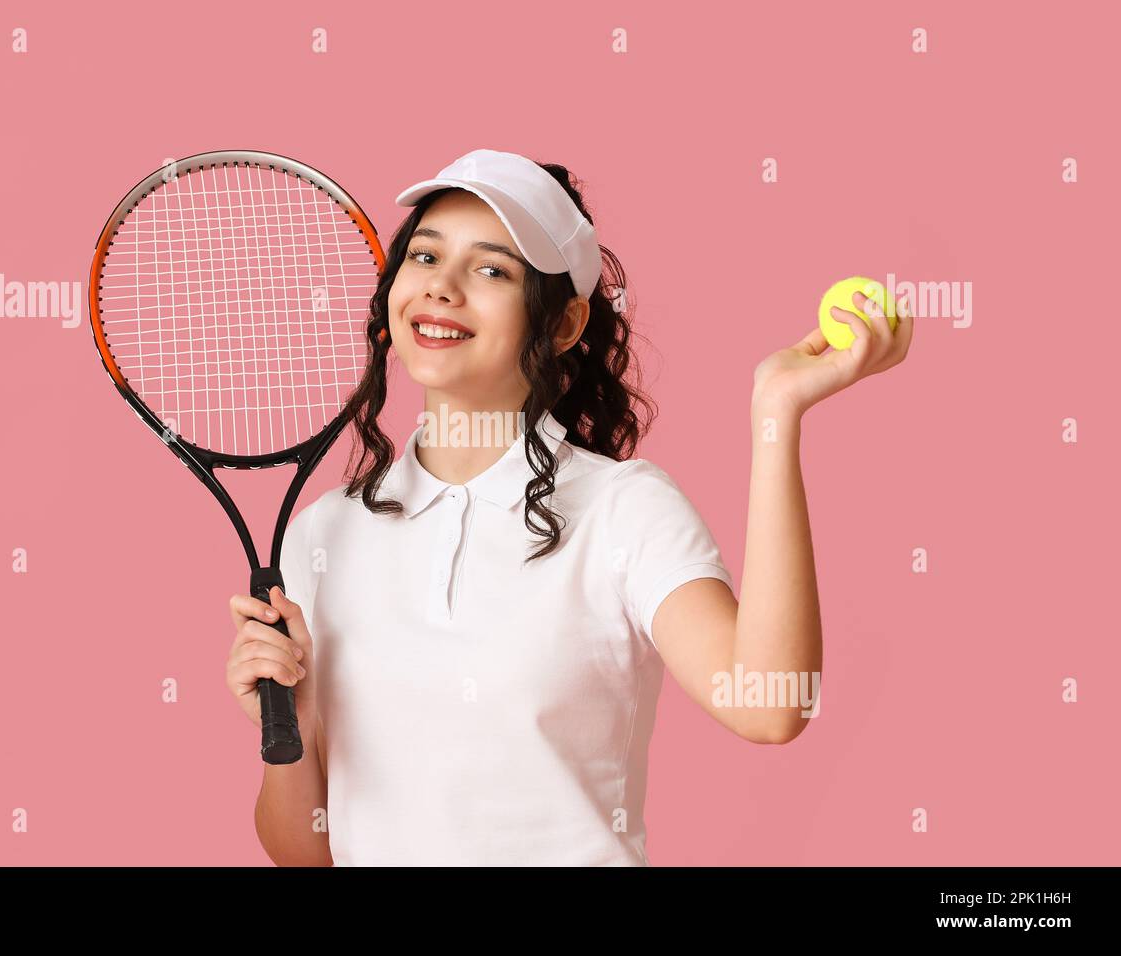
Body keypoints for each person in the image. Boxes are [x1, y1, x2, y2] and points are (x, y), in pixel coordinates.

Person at [225, 149, 913, 866]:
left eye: (492, 270)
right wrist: (292, 727)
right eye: (424, 257)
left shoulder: (624, 510)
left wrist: (777, 411)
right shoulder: (323, 536)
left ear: (562, 324)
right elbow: (306, 856)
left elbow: (771, 706)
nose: (442, 288)